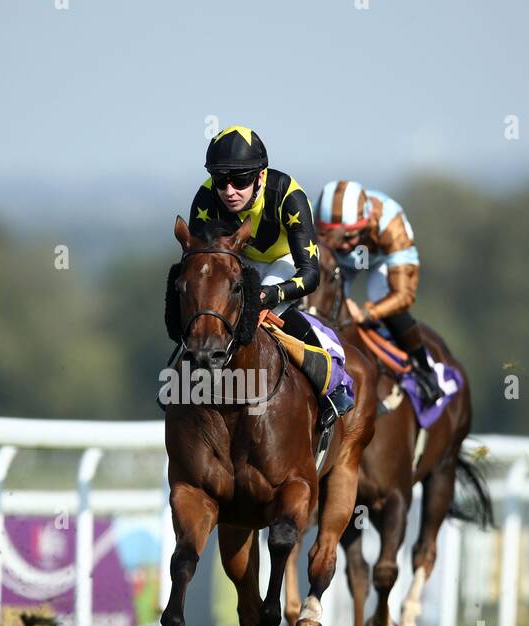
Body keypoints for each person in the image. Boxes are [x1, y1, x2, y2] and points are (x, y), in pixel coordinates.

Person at [188, 125, 353, 426]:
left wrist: (271, 295)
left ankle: (331, 383)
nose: (229, 191)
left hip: (284, 261)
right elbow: (201, 264)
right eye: (220, 180)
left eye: (240, 180)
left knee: (259, 310)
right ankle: (182, 381)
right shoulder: (205, 199)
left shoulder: (290, 196)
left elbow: (310, 274)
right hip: (237, 264)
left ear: (261, 175)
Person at [314, 179, 443, 404]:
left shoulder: (391, 224)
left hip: (381, 258)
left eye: (349, 236)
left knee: (380, 297)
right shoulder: (320, 220)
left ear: (366, 224)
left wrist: (366, 313)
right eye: (331, 236)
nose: (342, 244)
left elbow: (403, 295)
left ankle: (423, 369)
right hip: (336, 261)